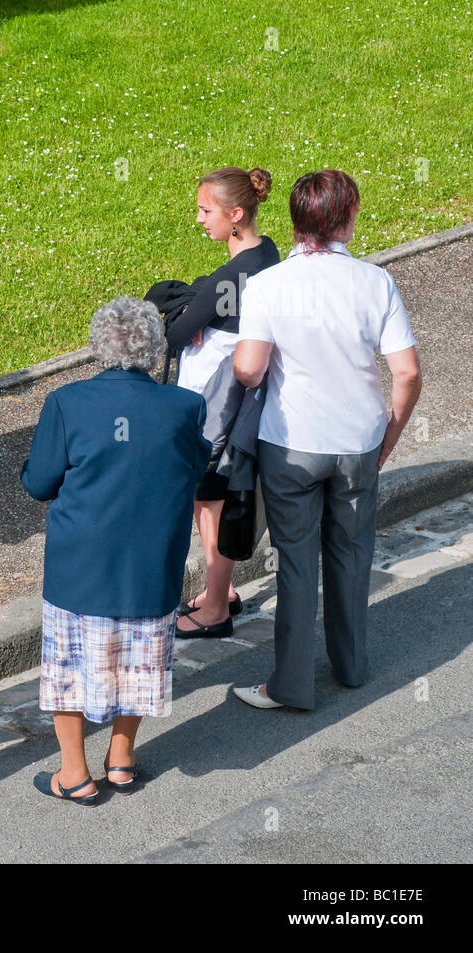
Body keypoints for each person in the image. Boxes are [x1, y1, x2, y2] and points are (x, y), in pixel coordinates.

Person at [232, 170, 421, 710]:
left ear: (294, 222)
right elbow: (406, 374)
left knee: (294, 563)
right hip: (358, 440)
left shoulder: (268, 285)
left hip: (291, 442)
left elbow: (249, 369)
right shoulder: (375, 281)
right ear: (345, 218)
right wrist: (390, 433)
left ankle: (290, 685)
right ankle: (352, 664)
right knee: (353, 552)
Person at [21, 297, 210, 803]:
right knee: (141, 659)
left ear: (99, 345)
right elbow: (198, 467)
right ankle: (122, 759)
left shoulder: (67, 402)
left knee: (70, 666)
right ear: (154, 349)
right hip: (152, 562)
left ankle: (74, 774)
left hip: (81, 563)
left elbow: (39, 484)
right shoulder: (185, 407)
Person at [149, 167, 281, 640]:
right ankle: (217, 591)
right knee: (217, 496)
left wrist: (190, 312)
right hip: (244, 401)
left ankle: (217, 607)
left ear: (236, 214)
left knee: (211, 499)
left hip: (214, 406)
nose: (200, 219)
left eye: (206, 210)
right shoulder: (267, 255)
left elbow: (175, 334)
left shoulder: (232, 275)